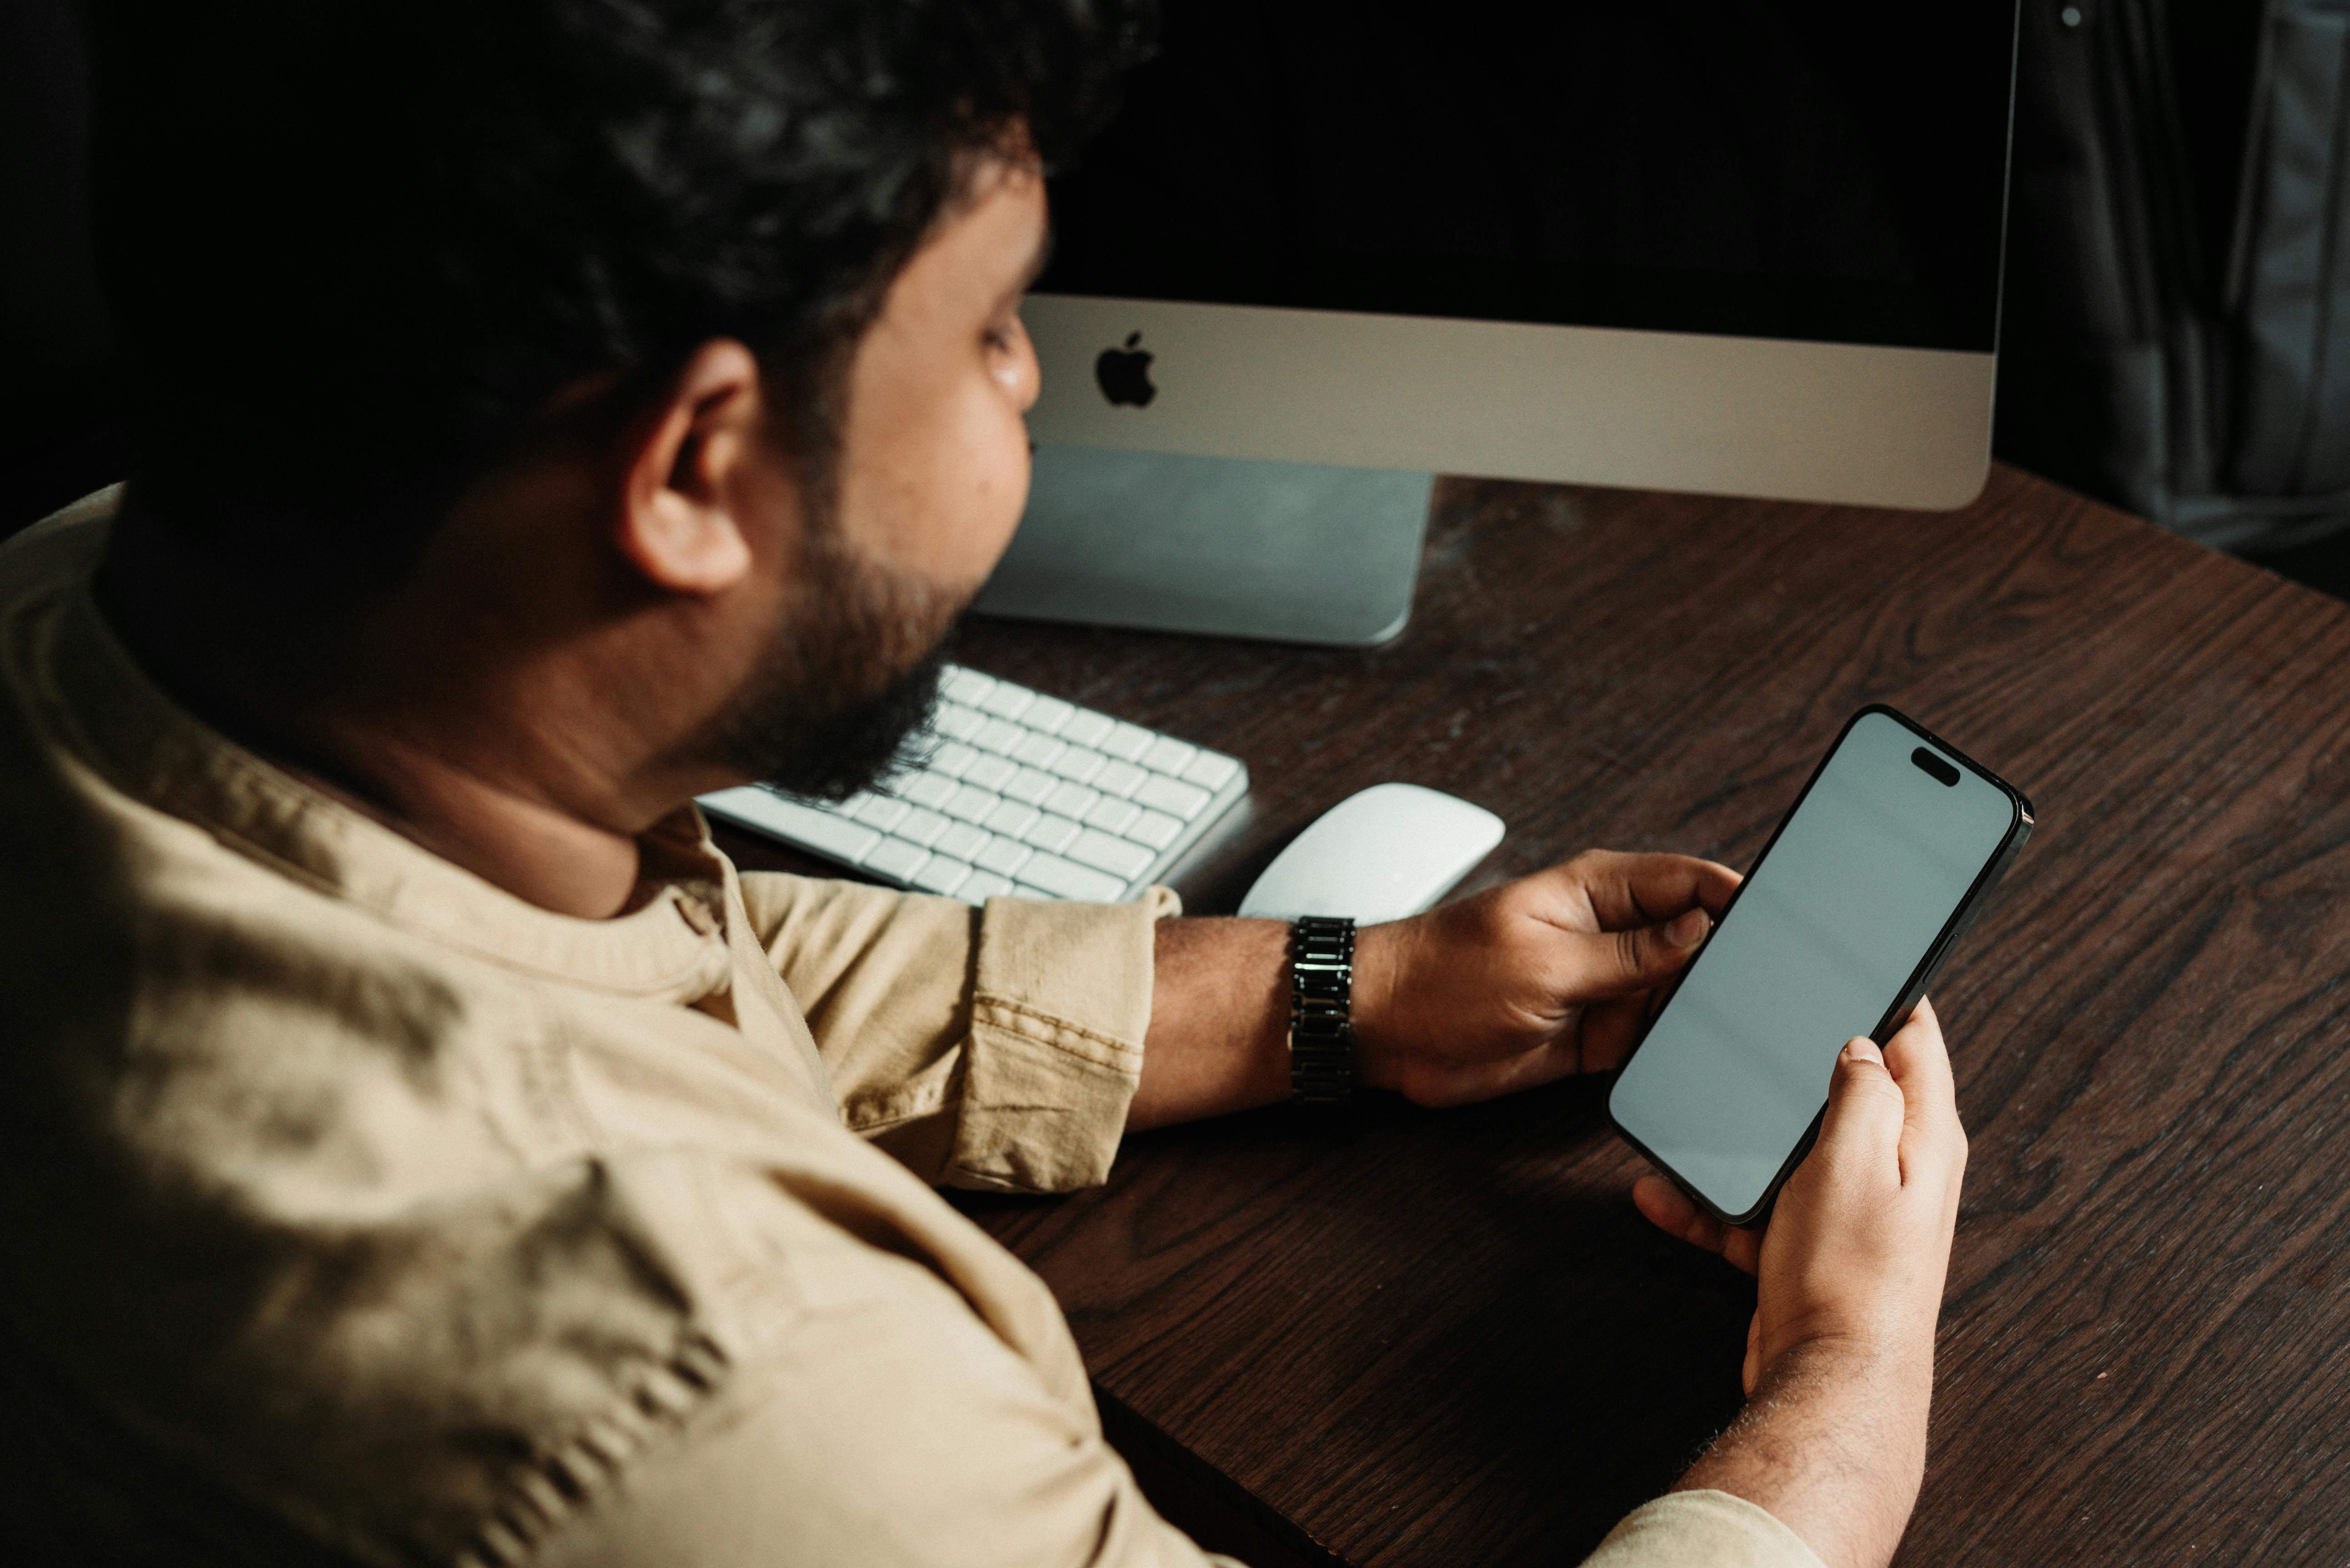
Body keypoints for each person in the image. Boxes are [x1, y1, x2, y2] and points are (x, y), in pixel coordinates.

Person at [0, 4, 1967, 1566]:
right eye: (986, 327)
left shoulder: (96, 600)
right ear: (690, 471)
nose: (1038, 381)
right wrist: (1840, 1389)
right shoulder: (705, 1403)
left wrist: (1335, 994)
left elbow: (636, 962)